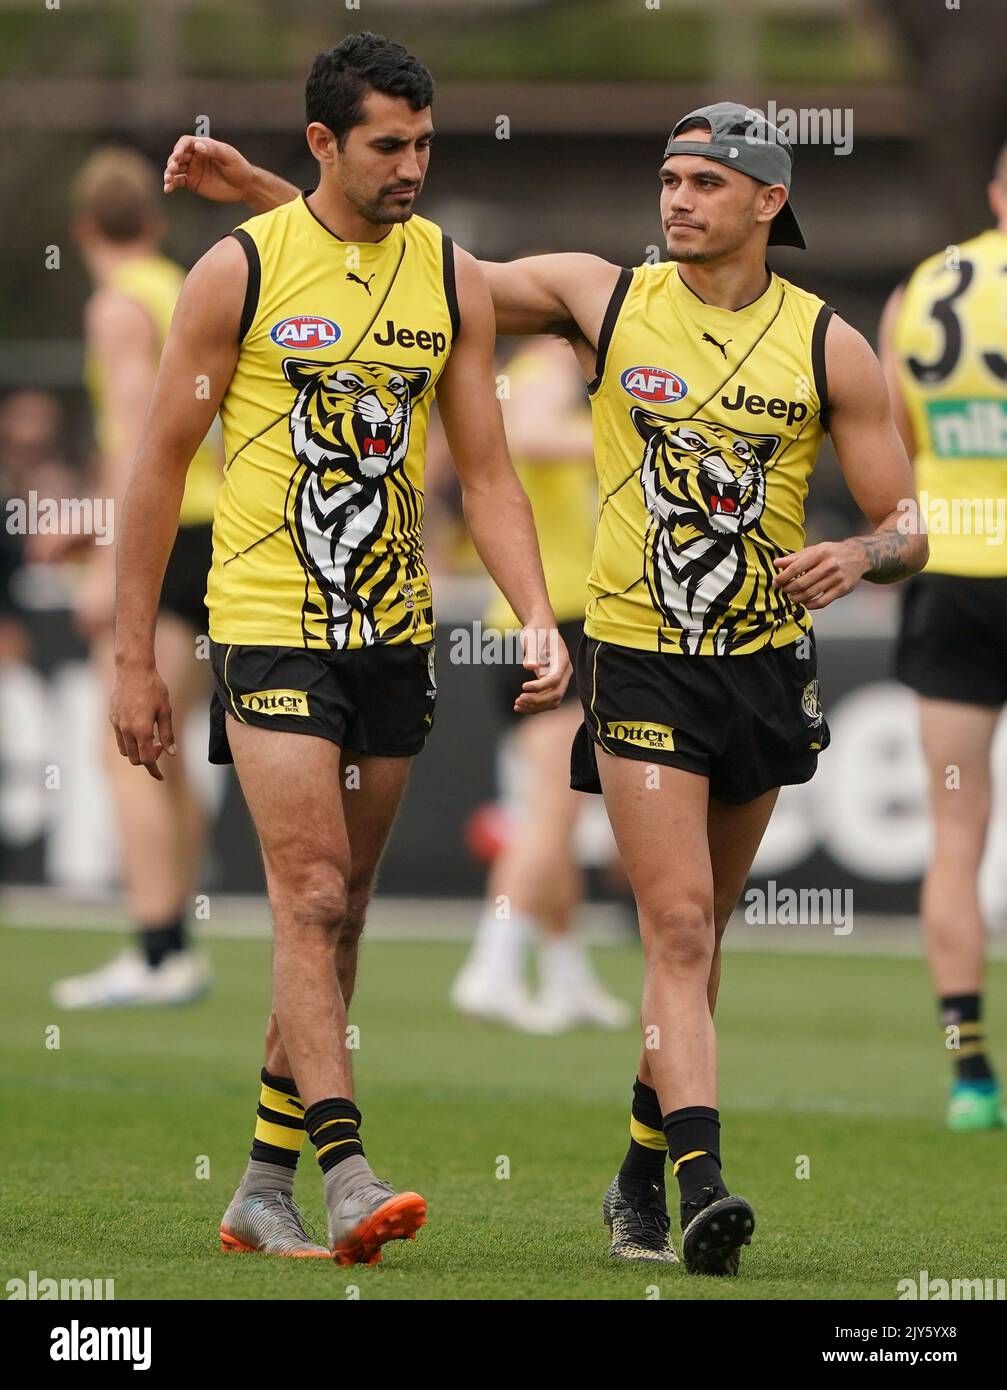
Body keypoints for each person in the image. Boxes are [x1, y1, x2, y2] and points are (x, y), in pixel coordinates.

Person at [163, 100, 927, 1275]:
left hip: (765, 670)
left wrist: (863, 554)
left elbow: (906, 519)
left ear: (768, 203)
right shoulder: (600, 295)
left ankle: (631, 1174)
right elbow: (418, 271)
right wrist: (268, 186)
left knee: (701, 937)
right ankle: (699, 1180)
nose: (673, 200)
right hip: (633, 657)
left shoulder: (829, 343)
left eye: (702, 183)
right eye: (666, 178)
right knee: (672, 923)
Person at [113, 33, 568, 1267]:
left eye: (424, 143)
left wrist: (532, 609)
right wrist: (131, 655)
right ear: (321, 143)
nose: (413, 165)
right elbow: (154, 467)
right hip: (266, 623)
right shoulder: (238, 271)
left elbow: (485, 465)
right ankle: (346, 1167)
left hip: (396, 635)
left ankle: (261, 1184)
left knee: (343, 913)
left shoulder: (447, 276)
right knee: (308, 893)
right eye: (388, 145)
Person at [52, 149, 221, 1010]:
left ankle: (158, 949)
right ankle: (178, 939)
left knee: (123, 748)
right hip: (216, 530)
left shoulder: (117, 304)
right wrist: (80, 522)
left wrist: (106, 566)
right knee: (168, 743)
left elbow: (132, 439)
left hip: (168, 533)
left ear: (83, 231)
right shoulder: (181, 284)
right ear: (150, 224)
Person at [880, 141, 1007, 1134]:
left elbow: (897, 446)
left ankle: (968, 1071)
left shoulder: (919, 288)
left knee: (954, 833)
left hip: (948, 573)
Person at [450, 335, 630, 1033]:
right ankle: (491, 964)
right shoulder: (543, 371)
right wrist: (629, 434)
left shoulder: (556, 377)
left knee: (559, 814)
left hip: (546, 621)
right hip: (555, 621)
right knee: (551, 817)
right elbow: (529, 431)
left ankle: (564, 972)